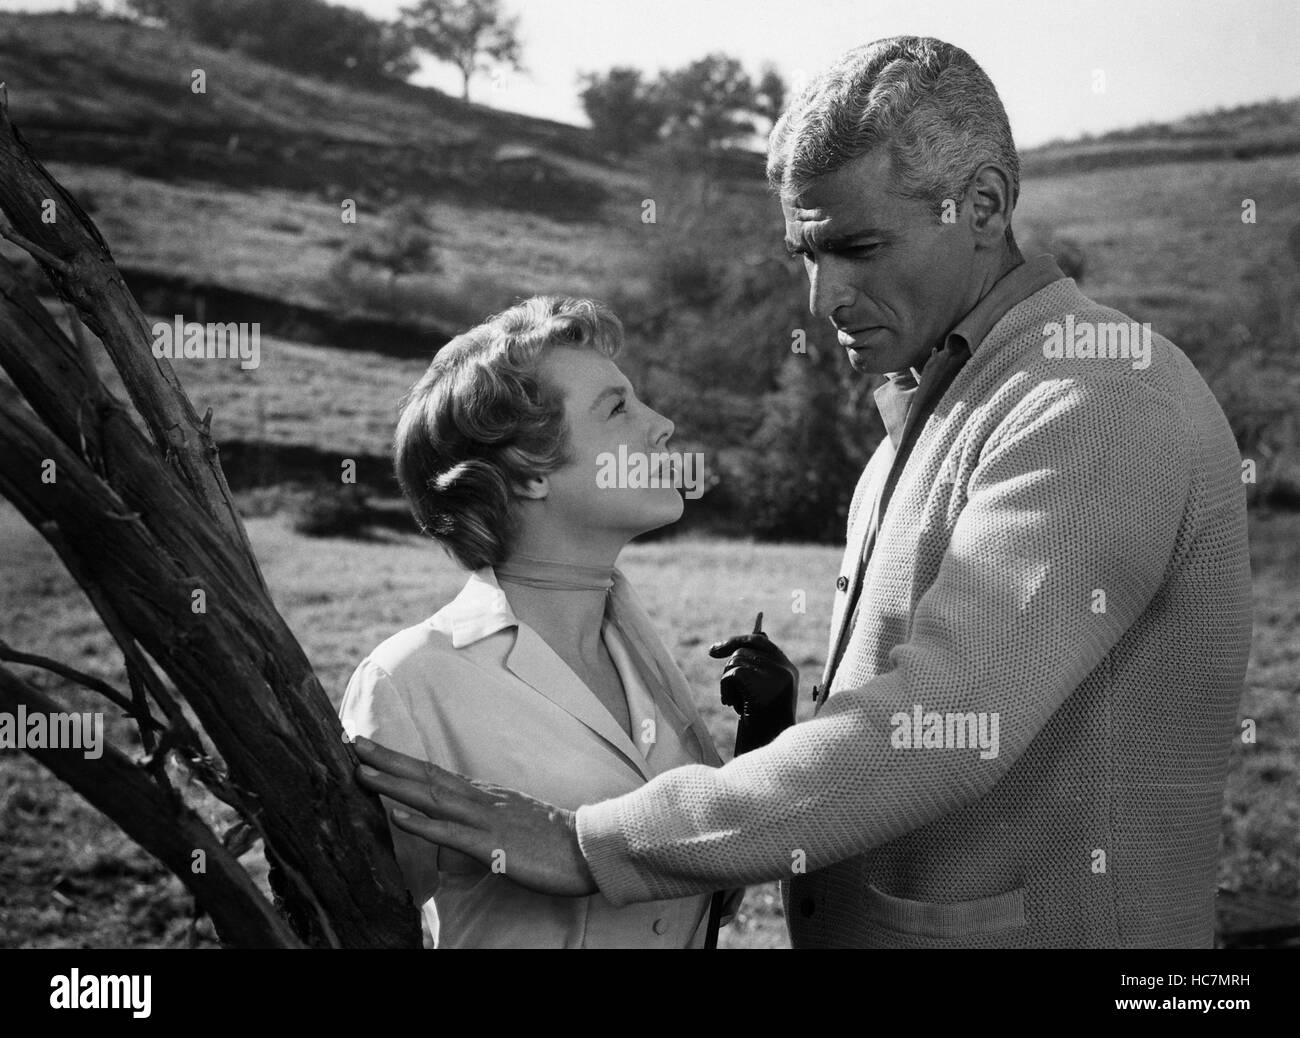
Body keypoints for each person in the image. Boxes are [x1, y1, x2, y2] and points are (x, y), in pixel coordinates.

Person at [356, 36, 1252, 948]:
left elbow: (944, 725)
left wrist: (587, 846)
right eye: (805, 255)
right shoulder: (925, 419)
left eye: (857, 248)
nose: (823, 299)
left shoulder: (1094, 396)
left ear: (983, 204)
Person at [339, 296, 755, 947]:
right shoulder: (409, 685)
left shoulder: (644, 656)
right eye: (617, 408)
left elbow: (707, 900)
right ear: (527, 470)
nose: (663, 425)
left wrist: (765, 735)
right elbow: (363, 929)